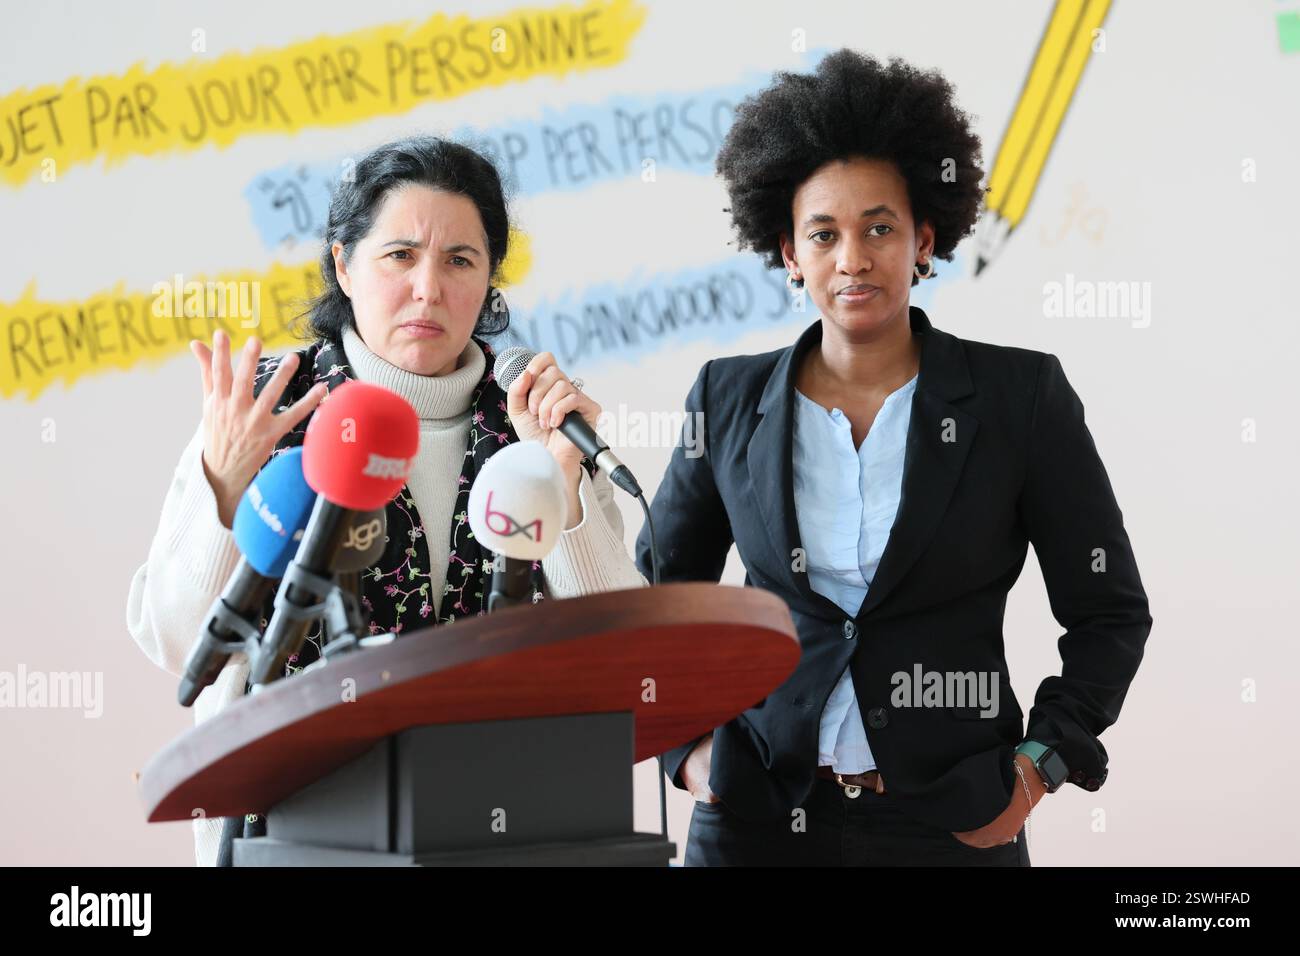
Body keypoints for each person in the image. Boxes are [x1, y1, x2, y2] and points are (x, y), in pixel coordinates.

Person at [636, 50, 1152, 866]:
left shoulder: (1021, 397)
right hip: (757, 819)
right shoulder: (726, 400)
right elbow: (662, 599)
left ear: (924, 240)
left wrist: (1040, 766)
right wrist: (686, 755)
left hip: (952, 824)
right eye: (824, 234)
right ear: (787, 252)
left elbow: (1110, 612)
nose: (853, 258)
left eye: (880, 227)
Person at [126, 135, 646, 866]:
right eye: (400, 255)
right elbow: (180, 644)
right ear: (344, 262)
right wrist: (223, 474)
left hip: (500, 829)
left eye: (459, 261)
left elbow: (621, 660)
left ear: (490, 278)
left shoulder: (527, 419)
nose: (428, 288)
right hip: (295, 829)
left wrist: (559, 475)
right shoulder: (270, 407)